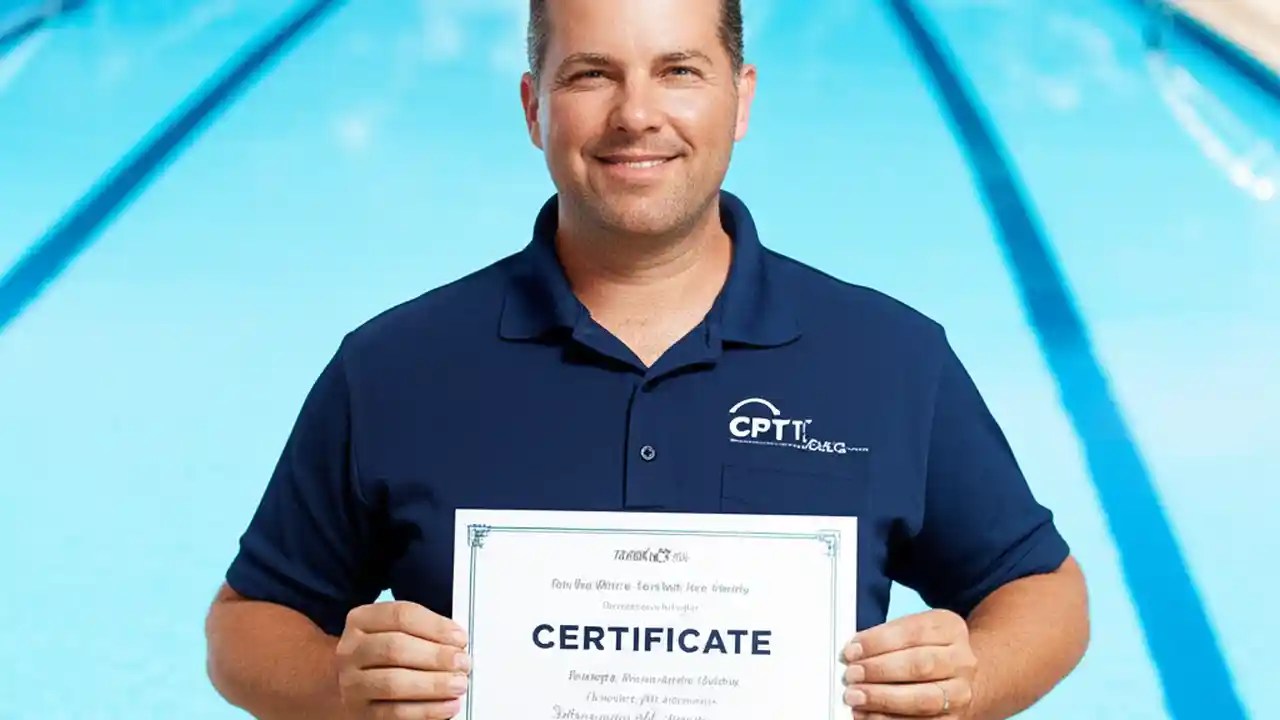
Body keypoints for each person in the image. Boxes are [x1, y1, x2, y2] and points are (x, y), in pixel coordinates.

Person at [204, 0, 1090, 717]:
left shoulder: (889, 357)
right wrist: (338, 687)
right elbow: (245, 628)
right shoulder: (396, 365)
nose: (636, 116)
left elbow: (1048, 598)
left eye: (679, 71)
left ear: (740, 99)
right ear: (532, 107)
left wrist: (966, 678)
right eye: (591, 75)